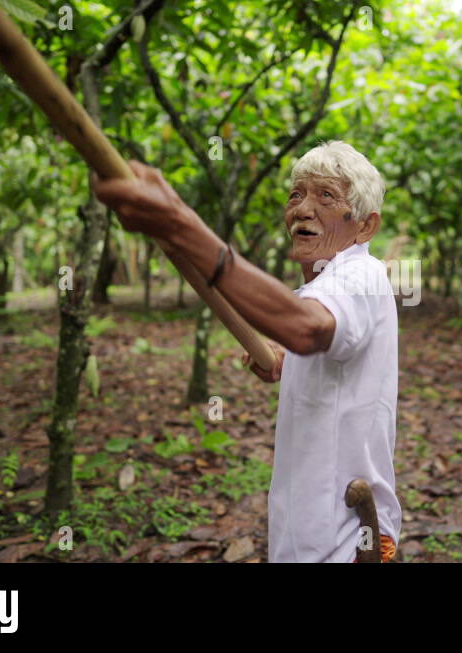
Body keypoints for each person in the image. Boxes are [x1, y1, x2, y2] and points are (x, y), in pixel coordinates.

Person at [92, 140, 400, 562]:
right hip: (310, 525)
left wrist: (180, 223)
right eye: (296, 195)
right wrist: (288, 359)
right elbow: (314, 336)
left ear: (365, 227)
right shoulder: (324, 287)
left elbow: (306, 327)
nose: (302, 210)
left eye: (326, 196)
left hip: (347, 535)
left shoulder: (361, 273)